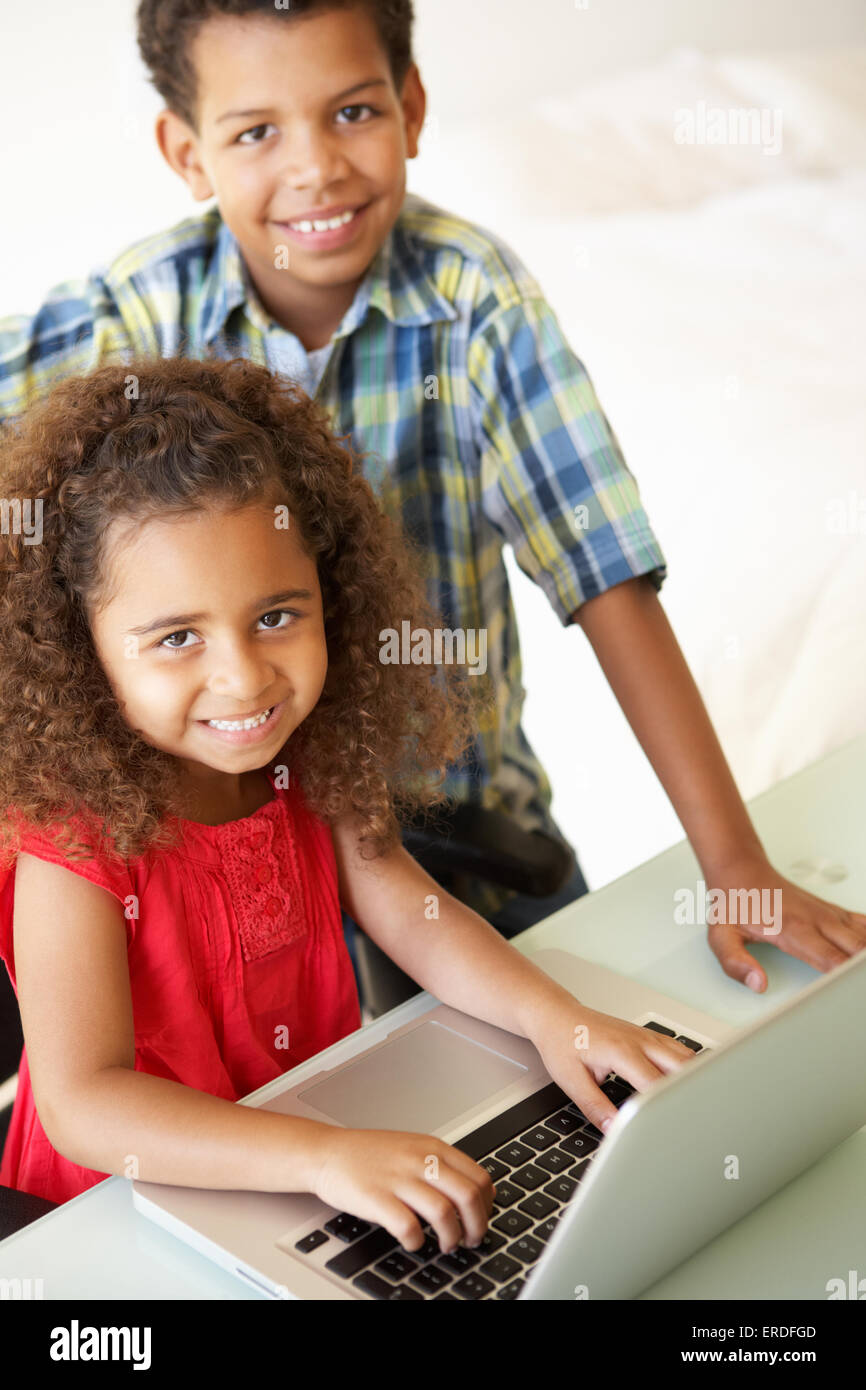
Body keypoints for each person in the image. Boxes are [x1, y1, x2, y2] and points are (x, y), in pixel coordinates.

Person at [1, 0, 863, 994]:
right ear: (187, 152)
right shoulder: (143, 307)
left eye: (353, 113)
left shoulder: (477, 301)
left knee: (612, 1045)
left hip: (460, 826)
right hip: (233, 846)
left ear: (410, 107)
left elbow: (604, 576)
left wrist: (734, 869)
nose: (316, 165)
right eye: (255, 133)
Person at [0, 356, 700, 1250]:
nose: (244, 677)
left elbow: (408, 909)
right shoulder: (74, 838)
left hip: (316, 1165)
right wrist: (322, 1157)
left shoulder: (311, 753)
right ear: (80, 650)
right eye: (177, 637)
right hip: (118, 1223)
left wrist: (554, 1018)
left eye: (277, 616)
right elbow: (83, 1104)